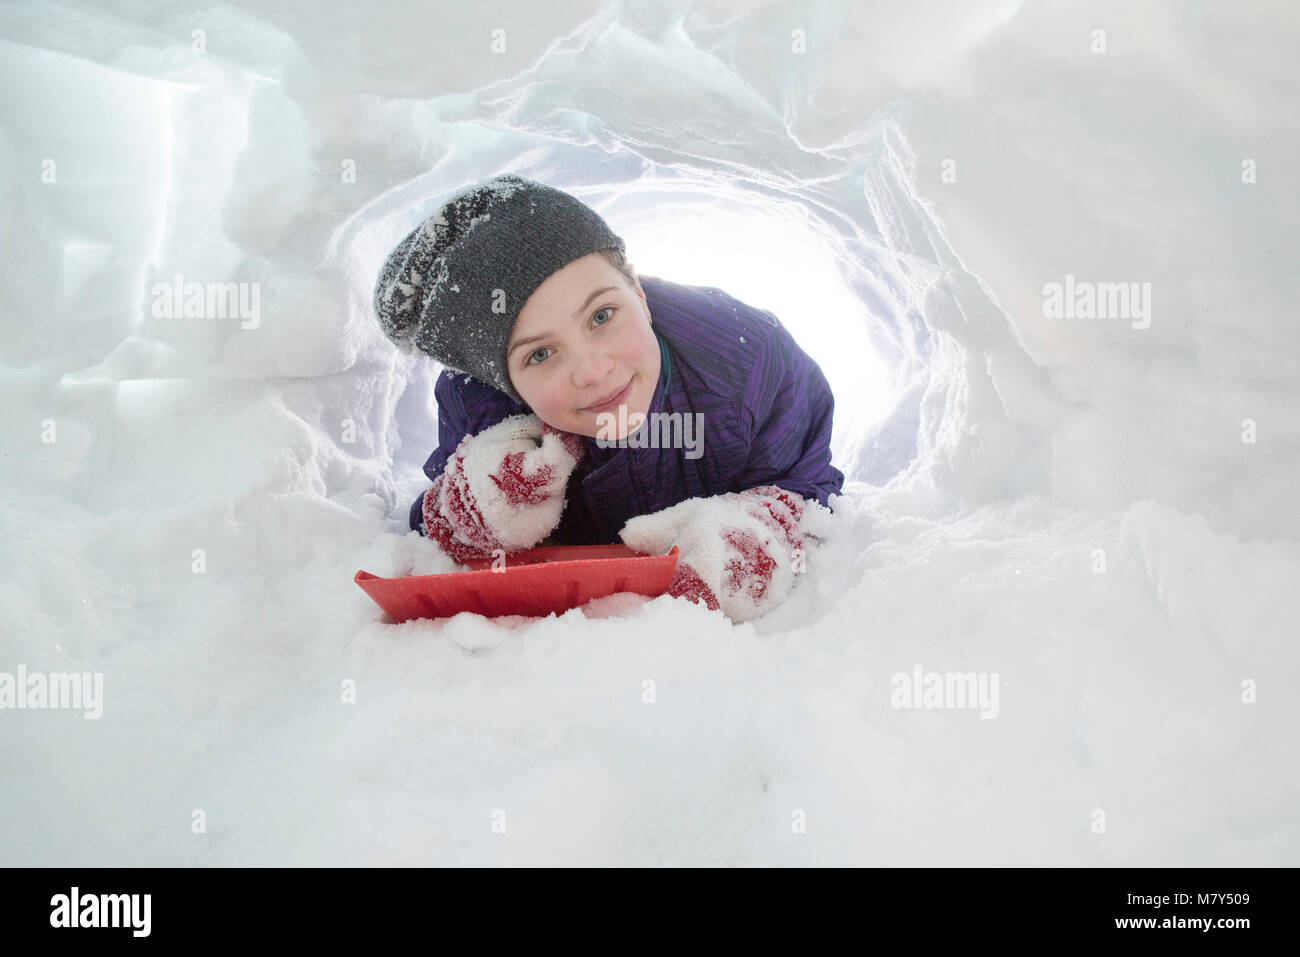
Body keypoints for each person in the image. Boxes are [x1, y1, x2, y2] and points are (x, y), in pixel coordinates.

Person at [373, 174, 844, 622]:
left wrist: (764, 527)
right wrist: (478, 512)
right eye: (540, 354)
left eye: (601, 315)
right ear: (504, 381)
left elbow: (808, 486)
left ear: (637, 292)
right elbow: (433, 526)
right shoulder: (478, 404)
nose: (594, 371)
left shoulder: (749, 360)